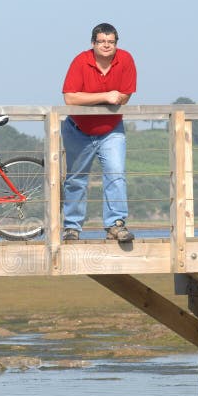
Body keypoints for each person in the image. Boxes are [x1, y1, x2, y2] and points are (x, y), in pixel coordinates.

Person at [61, 22, 137, 242]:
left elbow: (125, 94)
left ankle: (116, 224)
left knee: (116, 174)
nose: (106, 45)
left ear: (116, 44)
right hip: (78, 129)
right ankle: (72, 227)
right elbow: (70, 97)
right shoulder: (80, 61)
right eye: (102, 41)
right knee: (76, 180)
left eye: (111, 42)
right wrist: (105, 96)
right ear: (93, 43)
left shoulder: (126, 60)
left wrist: (115, 96)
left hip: (111, 129)